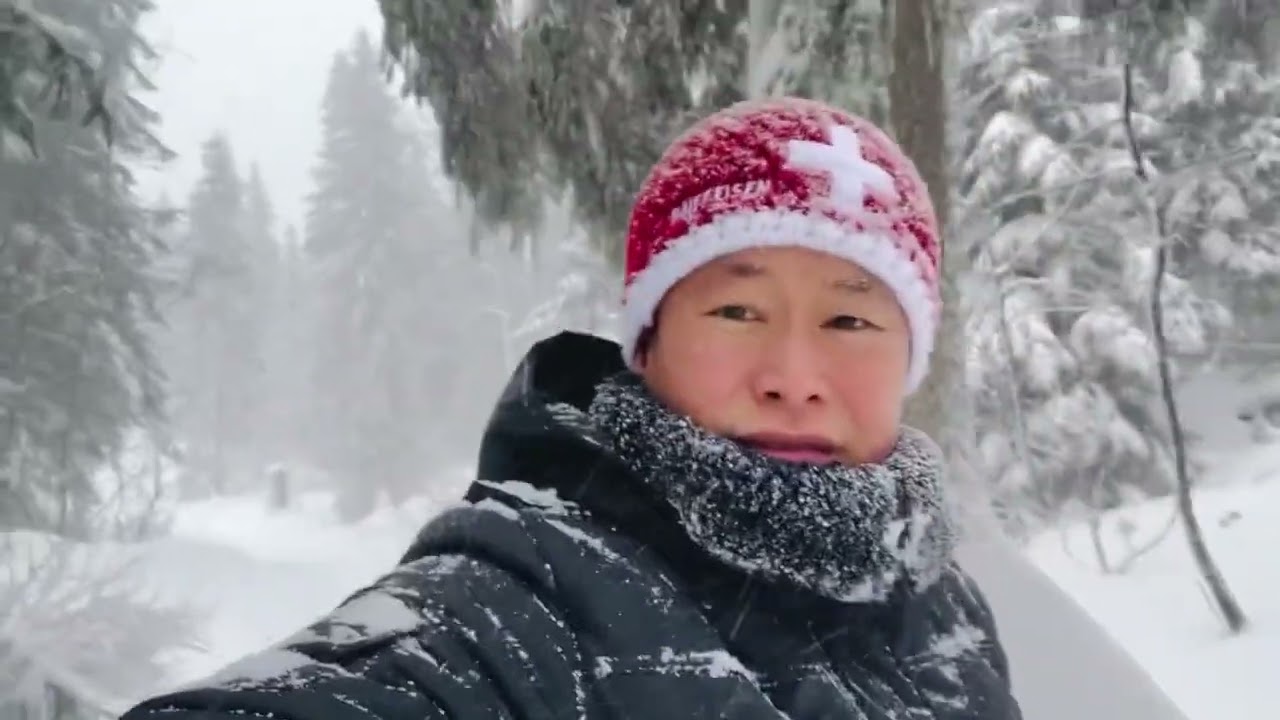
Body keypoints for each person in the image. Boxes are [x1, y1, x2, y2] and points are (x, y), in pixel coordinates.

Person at [121, 97, 1022, 720]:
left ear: (911, 359)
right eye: (737, 311)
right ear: (648, 342)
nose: (794, 375)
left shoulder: (939, 604)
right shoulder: (521, 598)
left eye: (851, 318)